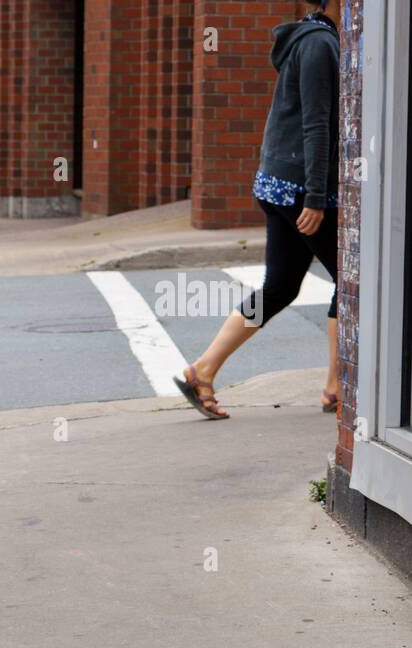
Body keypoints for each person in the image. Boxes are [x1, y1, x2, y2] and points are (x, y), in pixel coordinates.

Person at [176, 1, 340, 419]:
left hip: (277, 181)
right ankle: (337, 388)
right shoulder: (320, 43)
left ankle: (203, 369)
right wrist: (317, 197)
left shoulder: (303, 38)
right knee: (354, 281)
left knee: (281, 287)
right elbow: (316, 122)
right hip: (300, 188)